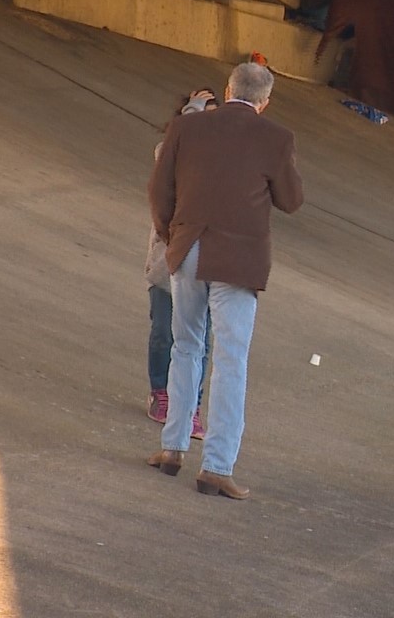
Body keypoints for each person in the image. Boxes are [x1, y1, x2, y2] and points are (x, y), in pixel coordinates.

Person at [146, 63, 304, 500]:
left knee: (186, 346)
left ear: (227, 89)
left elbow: (159, 190)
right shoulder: (277, 138)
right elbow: (291, 200)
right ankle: (216, 467)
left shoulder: (186, 128)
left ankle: (172, 448)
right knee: (231, 360)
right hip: (238, 260)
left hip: (188, 248)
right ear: (265, 100)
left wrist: (171, 235)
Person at [145, 89, 220, 438]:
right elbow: (165, 154)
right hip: (166, 265)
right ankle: (160, 393)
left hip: (205, 267)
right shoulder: (172, 157)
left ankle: (189, 407)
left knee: (199, 343)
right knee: (164, 334)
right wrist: (192, 112)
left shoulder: (224, 163)